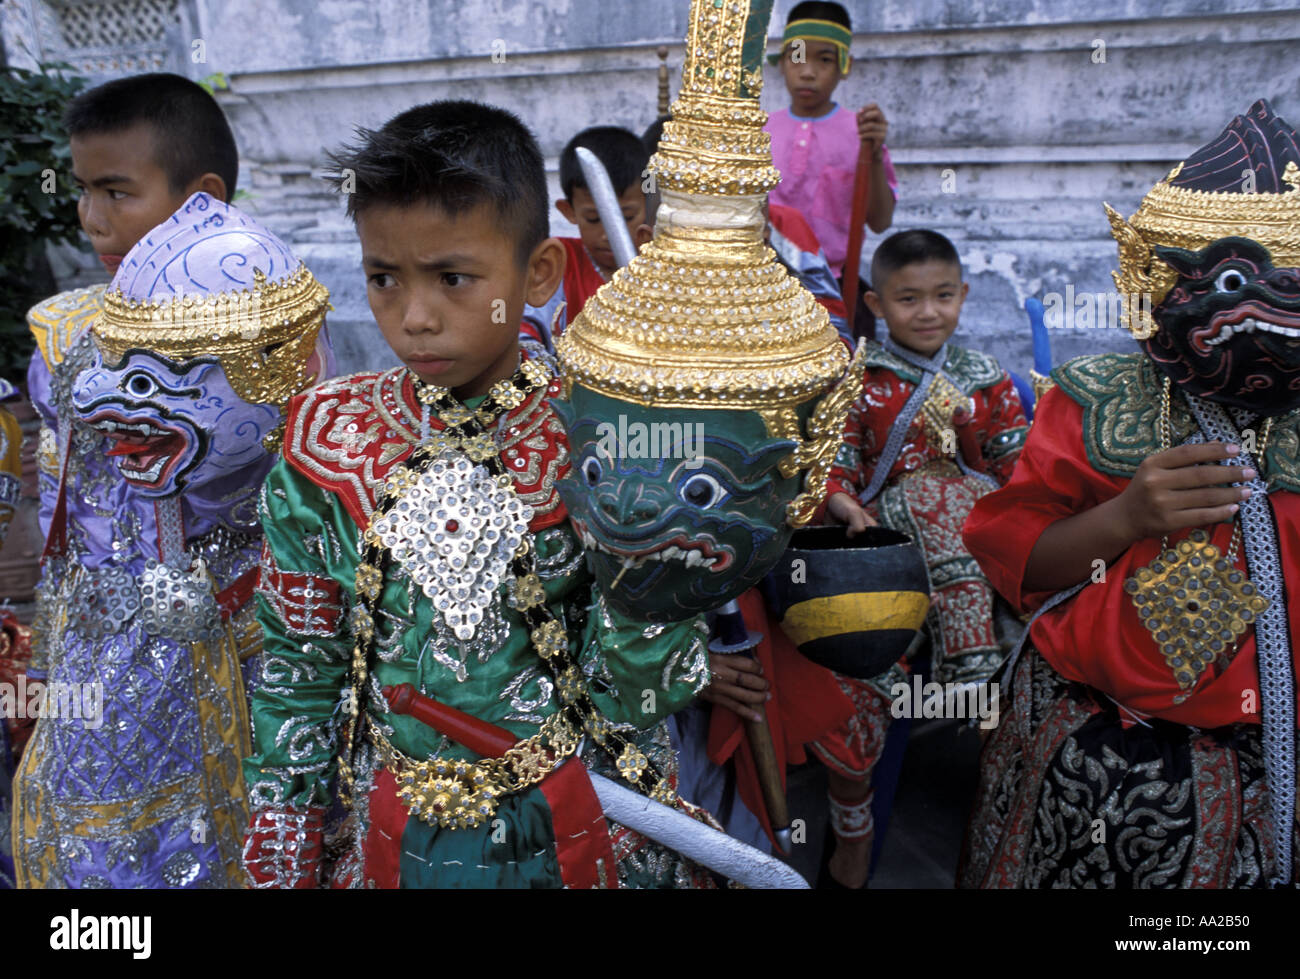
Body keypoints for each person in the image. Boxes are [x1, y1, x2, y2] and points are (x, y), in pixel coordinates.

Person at [241, 100, 721, 889]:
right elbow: (302, 661)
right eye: (383, 278)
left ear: (536, 274)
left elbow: (639, 690)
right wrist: (285, 830)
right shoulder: (329, 438)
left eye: (453, 278)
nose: (414, 317)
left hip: (576, 818)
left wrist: (652, 550)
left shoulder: (602, 433)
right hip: (394, 824)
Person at [961, 99, 1300, 888]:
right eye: (1232, 281)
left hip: (1267, 761)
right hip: (1083, 742)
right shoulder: (1100, 400)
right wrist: (1127, 516)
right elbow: (1022, 560)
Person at [12, 74, 321, 890]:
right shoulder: (64, 337)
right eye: (83, 190)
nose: (92, 218)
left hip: (237, 626)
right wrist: (44, 655)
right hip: (100, 639)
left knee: (247, 828)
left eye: (118, 190)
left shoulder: (261, 328)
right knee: (101, 838)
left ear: (202, 200)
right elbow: (61, 516)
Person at [815, 229, 1028, 886]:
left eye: (942, 296)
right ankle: (853, 830)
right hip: (884, 553)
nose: (928, 312)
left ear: (963, 296)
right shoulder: (858, 381)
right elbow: (832, 469)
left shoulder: (986, 382)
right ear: (877, 303)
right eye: (909, 299)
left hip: (980, 550)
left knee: (1036, 676)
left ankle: (1004, 822)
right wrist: (846, 507)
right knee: (853, 698)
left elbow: (1020, 471)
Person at [764, 1, 898, 336]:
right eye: (796, 56)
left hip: (838, 288)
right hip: (766, 284)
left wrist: (875, 152)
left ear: (844, 66)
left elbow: (880, 221)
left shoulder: (861, 132)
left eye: (824, 59)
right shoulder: (759, 130)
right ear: (782, 62)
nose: (807, 71)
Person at [521, 125, 652, 351]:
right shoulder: (556, 263)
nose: (607, 235)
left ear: (649, 207)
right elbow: (525, 331)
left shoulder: (668, 267)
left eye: (628, 217)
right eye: (593, 219)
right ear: (569, 211)